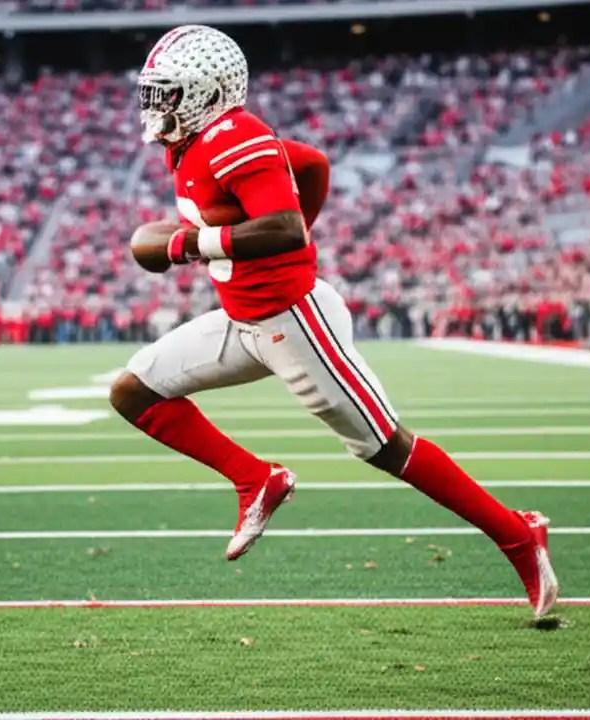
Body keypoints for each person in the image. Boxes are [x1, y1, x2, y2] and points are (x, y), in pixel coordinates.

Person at [107, 25, 557, 618]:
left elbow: (285, 227)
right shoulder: (197, 143)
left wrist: (192, 244)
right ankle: (255, 481)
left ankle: (518, 536)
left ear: (206, 91)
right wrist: (213, 244)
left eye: (169, 92)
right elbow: (312, 163)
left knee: (386, 447)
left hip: (293, 321)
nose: (157, 106)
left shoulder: (234, 136)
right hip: (243, 320)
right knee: (133, 391)